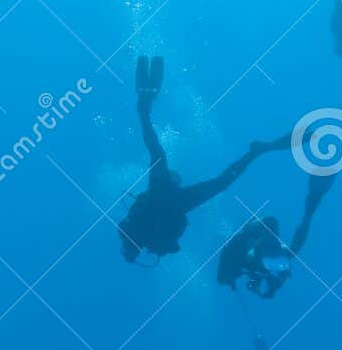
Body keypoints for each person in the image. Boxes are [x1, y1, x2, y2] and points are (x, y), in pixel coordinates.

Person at [119, 57, 292, 262]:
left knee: (219, 184)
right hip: (165, 196)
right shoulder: (137, 234)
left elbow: (171, 240)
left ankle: (254, 153)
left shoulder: (147, 240)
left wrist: (164, 243)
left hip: (173, 201)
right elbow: (153, 228)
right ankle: (143, 112)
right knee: (158, 153)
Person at [216, 174, 335, 299]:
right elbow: (270, 224)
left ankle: (313, 201)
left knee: (282, 247)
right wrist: (269, 287)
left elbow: (271, 223)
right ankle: (313, 201)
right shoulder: (244, 257)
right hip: (249, 243)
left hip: (252, 240)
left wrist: (269, 287)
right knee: (289, 251)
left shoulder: (262, 259)